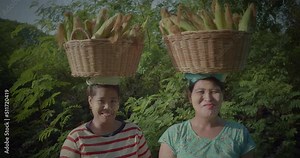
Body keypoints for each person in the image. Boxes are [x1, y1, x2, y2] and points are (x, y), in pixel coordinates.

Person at [158, 73, 256, 158]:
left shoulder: (239, 133)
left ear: (222, 95)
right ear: (190, 96)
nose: (208, 98)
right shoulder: (174, 135)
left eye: (214, 92)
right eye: (201, 91)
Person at [60, 77, 152, 158]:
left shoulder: (134, 133)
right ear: (90, 101)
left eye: (113, 101)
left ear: (118, 101)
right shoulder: (76, 139)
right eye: (101, 101)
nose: (107, 107)